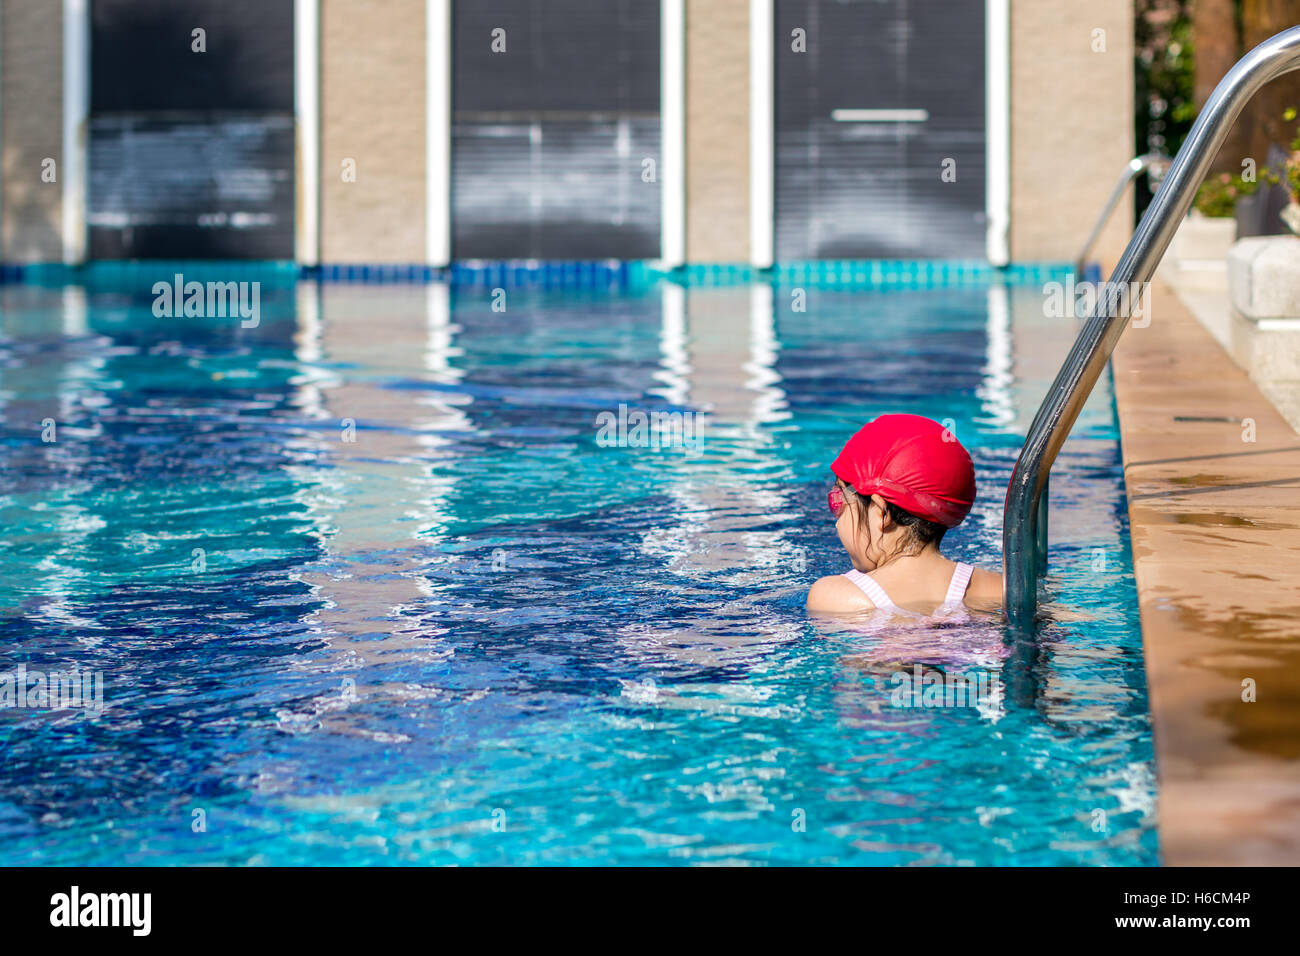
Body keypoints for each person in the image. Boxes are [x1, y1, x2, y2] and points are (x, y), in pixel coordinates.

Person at [806, 414, 1002, 615]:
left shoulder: (834, 598)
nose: (836, 521)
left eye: (838, 500)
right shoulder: (1000, 590)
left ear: (881, 512)